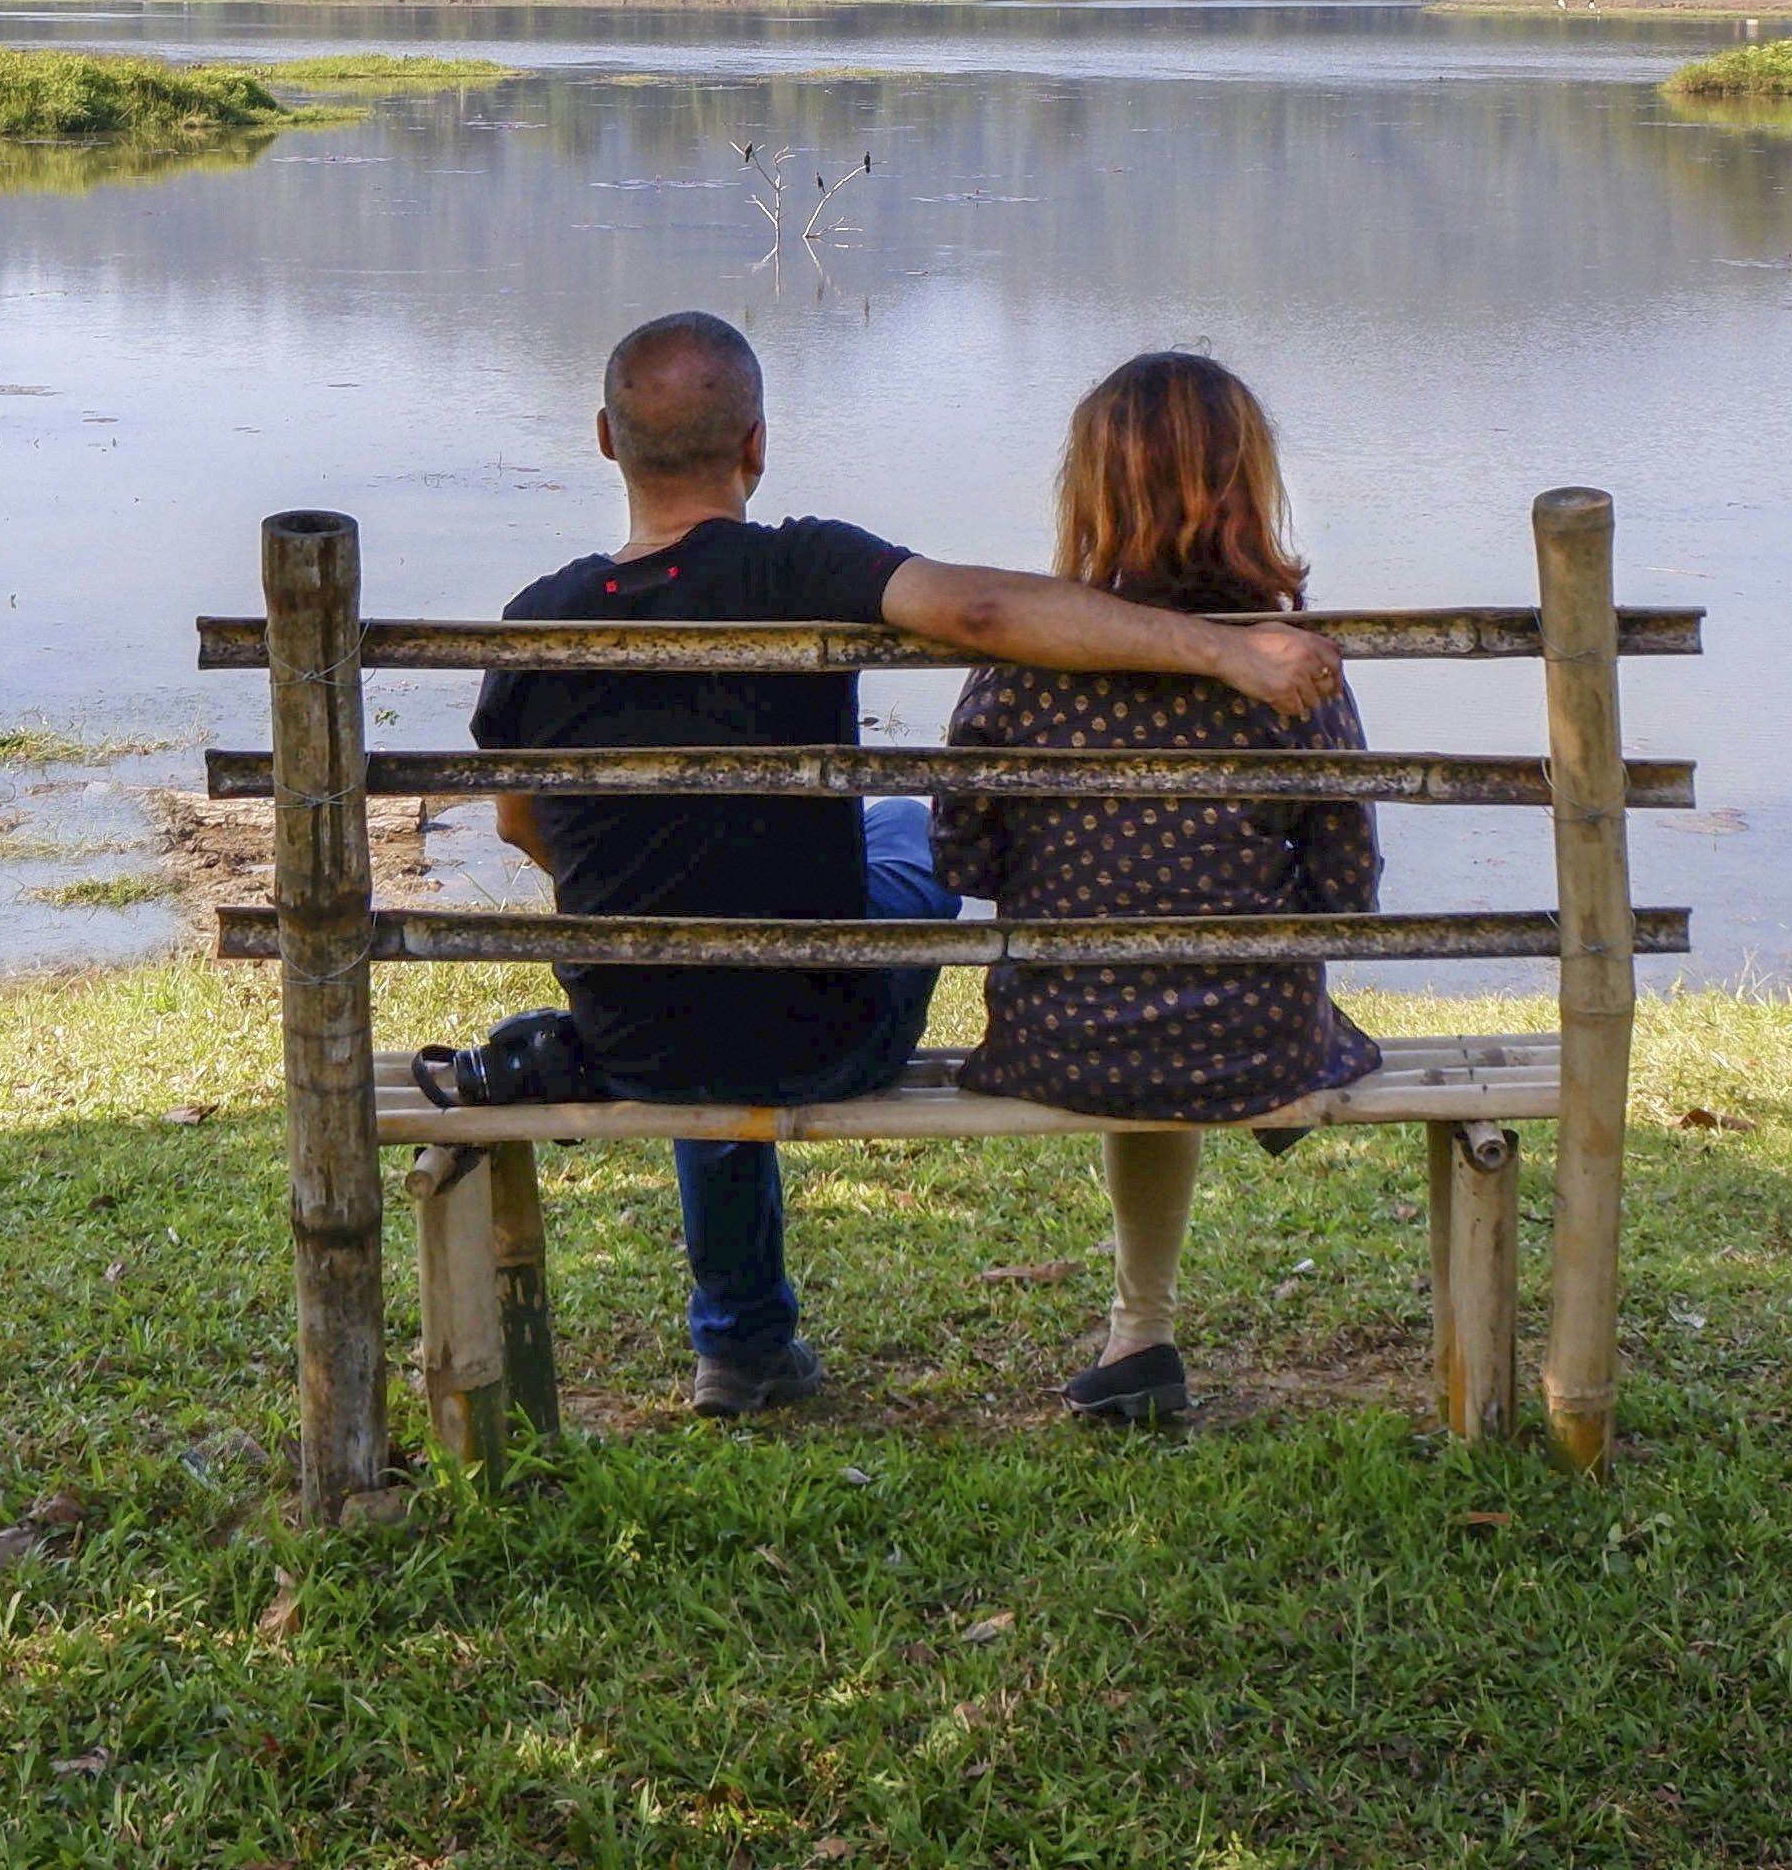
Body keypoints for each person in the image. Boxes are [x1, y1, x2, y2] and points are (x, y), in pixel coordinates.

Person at [474, 310, 1343, 1418]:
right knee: (894, 837)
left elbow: (516, 828)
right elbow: (980, 611)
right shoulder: (801, 561)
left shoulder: (535, 621)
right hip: (825, 1030)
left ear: (605, 437)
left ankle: (741, 1343)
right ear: (756, 444)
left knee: (720, 943)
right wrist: (1228, 649)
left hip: (633, 1034)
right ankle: (755, 1331)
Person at [927, 350, 1384, 1427]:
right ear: (1248, 486)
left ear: (1090, 492)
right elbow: (1346, 886)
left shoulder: (1018, 668)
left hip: (1063, 1029)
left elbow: (964, 864)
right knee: (1232, 998)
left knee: (1138, 993)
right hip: (1249, 1034)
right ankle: (1142, 1327)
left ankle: (1143, 1330)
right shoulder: (1291, 670)